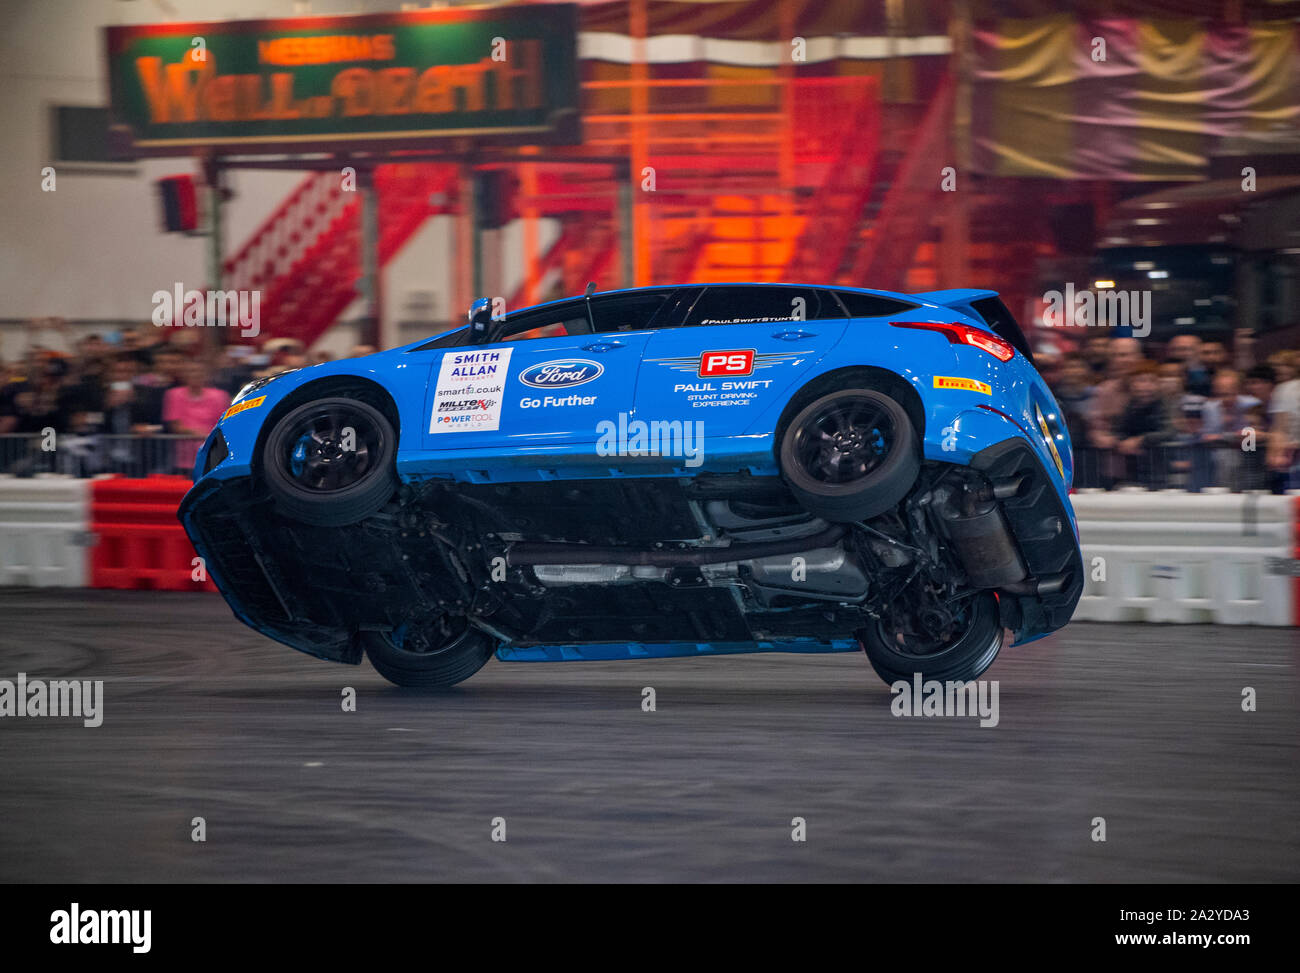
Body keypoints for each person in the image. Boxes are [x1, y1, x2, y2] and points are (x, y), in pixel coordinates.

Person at [162, 361, 228, 475]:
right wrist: (202, 434)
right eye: (191, 372)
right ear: (184, 375)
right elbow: (175, 426)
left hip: (212, 454)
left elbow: (225, 423)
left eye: (199, 372)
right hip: (183, 458)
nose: (195, 375)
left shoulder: (220, 396)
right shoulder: (173, 395)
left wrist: (209, 437)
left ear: (206, 375)